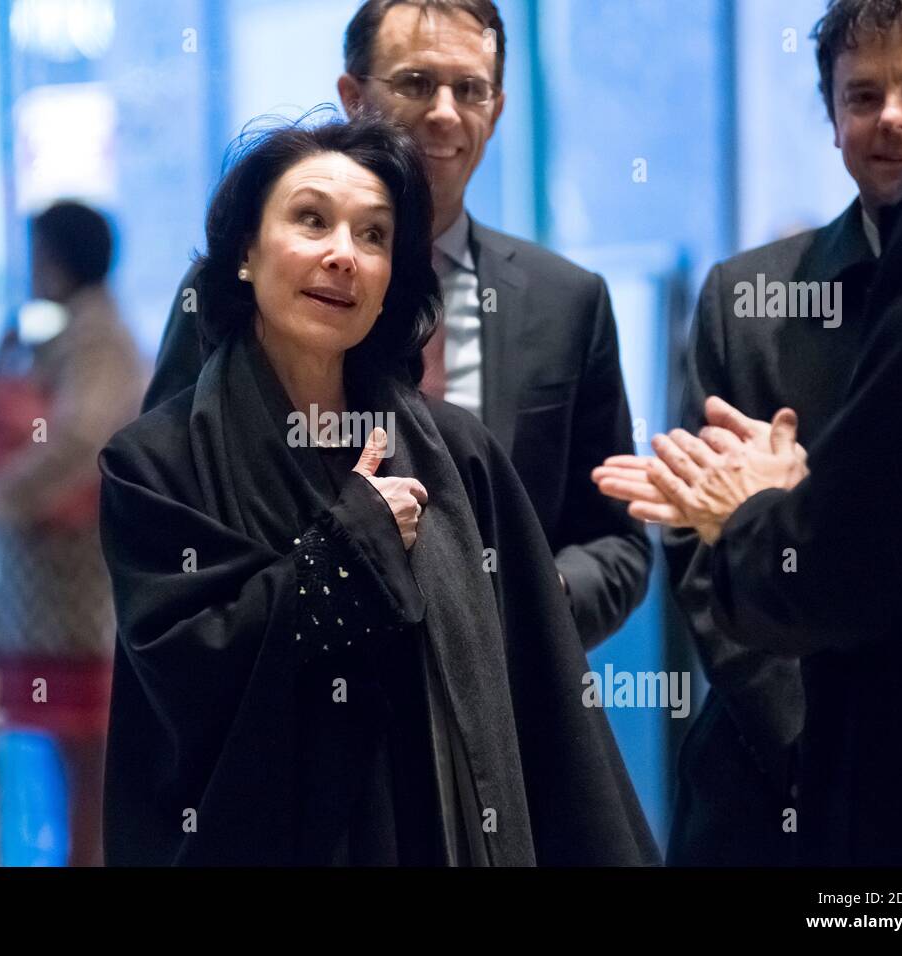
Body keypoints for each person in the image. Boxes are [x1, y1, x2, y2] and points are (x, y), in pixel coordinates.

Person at [99, 115, 659, 866]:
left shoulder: (456, 454)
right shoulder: (154, 464)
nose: (342, 256)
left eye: (373, 236)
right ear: (244, 252)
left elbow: (547, 700)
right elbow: (188, 679)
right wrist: (346, 550)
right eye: (311, 220)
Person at [593, 0, 902, 865]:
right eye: (861, 96)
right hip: (763, 786)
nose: (891, 117)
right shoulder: (747, 300)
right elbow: (702, 550)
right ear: (833, 121)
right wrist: (808, 744)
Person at [142, 0, 649, 648]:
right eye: (415, 83)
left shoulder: (567, 301)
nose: (444, 112)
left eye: (470, 90)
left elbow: (616, 541)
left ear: (495, 111)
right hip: (294, 686)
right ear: (353, 96)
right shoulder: (251, 290)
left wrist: (535, 597)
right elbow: (168, 505)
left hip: (496, 707)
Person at [0, 201, 147, 866]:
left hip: (77, 576)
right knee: (72, 741)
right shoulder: (59, 333)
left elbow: (78, 439)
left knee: (88, 741)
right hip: (49, 577)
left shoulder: (98, 339)